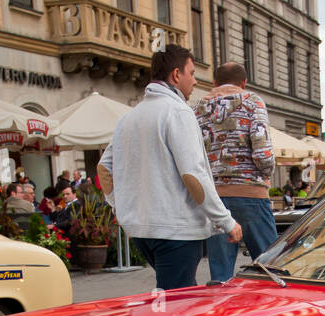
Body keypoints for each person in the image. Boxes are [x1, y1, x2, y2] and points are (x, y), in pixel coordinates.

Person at [97, 44, 240, 290]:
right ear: (176, 75)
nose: (195, 81)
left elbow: (104, 169)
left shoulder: (129, 117)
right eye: (192, 73)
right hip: (176, 229)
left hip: (142, 228)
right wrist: (226, 221)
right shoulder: (177, 112)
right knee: (178, 307)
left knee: (176, 296)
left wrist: (120, 208)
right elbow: (193, 175)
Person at [195, 61, 277, 283]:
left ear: (214, 83)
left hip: (215, 197)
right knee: (269, 267)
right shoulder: (252, 102)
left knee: (220, 272)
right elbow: (262, 153)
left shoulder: (198, 107)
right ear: (244, 83)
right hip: (251, 193)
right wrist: (267, 172)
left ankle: (223, 313)